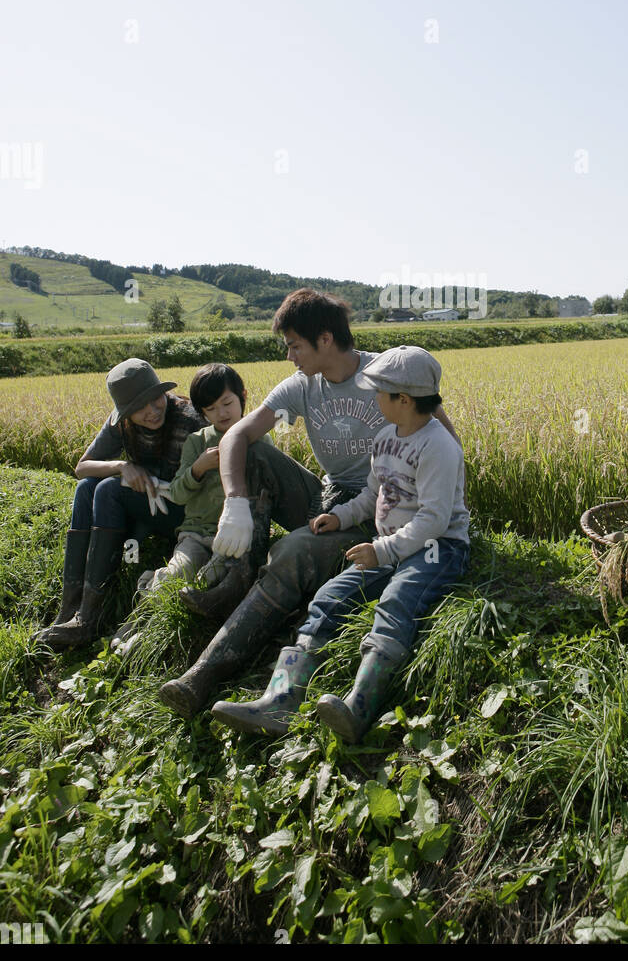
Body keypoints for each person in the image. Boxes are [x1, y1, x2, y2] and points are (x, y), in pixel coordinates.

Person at [159, 291, 461, 718]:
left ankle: (219, 676)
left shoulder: (390, 379)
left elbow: (445, 442)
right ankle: (236, 576)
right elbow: (236, 436)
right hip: (335, 501)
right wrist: (235, 503)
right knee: (255, 449)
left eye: (294, 345)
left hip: (382, 515)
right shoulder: (302, 386)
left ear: (324, 339)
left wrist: (418, 517)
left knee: (294, 552)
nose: (289, 356)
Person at [210, 344, 470, 741]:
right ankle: (281, 698)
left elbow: (434, 520)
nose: (373, 399)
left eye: (378, 393)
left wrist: (382, 551)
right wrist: (341, 517)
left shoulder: (437, 446)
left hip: (437, 548)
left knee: (397, 599)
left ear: (402, 399)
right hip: (390, 545)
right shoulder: (385, 437)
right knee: (329, 597)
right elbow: (371, 495)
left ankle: (359, 706)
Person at [37, 358, 205, 650]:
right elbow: (83, 467)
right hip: (144, 505)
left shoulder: (189, 420)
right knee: (87, 487)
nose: (152, 411)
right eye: (140, 408)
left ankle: (89, 618)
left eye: (156, 400)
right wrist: (121, 465)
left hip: (181, 510)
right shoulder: (122, 423)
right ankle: (70, 606)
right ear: (126, 411)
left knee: (107, 491)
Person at [109, 362, 274, 655]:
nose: (222, 413)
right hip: (196, 534)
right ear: (202, 413)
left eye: (227, 403)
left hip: (237, 537)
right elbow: (177, 494)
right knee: (177, 574)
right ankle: (134, 627)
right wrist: (198, 469)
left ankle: (161, 627)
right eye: (211, 409)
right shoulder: (197, 443)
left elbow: (270, 492)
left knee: (205, 580)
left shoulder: (260, 441)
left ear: (242, 397)